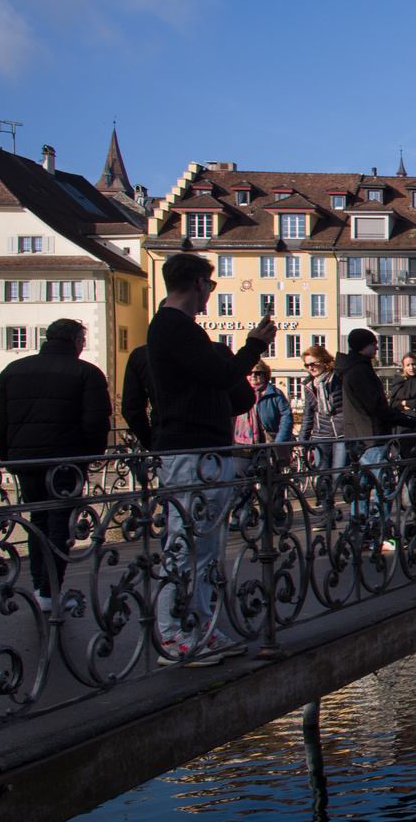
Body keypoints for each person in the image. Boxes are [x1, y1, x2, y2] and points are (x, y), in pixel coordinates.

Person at [147, 252, 277, 666]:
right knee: (185, 545)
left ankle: (200, 628)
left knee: (202, 547)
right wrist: (254, 346)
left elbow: (229, 389)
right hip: (189, 448)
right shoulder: (171, 325)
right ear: (201, 284)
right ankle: (174, 636)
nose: (210, 294)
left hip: (203, 447)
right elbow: (224, 379)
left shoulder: (179, 328)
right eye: (212, 286)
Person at [0, 318, 110, 609]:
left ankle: (41, 590)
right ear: (76, 342)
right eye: (83, 341)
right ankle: (49, 592)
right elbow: (96, 422)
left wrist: (8, 456)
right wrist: (90, 456)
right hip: (66, 461)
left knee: (38, 522)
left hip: (25, 460)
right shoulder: (86, 373)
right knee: (60, 526)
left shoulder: (13, 370)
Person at [236, 363, 293, 444]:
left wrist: (280, 440)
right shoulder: (239, 394)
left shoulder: (275, 393)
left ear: (265, 375)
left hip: (270, 441)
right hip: (242, 444)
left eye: (258, 373)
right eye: (249, 373)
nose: (253, 375)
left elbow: (286, 416)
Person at [121, 344, 155, 451]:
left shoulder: (142, 355)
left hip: (164, 439)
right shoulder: (205, 350)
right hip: (204, 444)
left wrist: (149, 442)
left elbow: (131, 409)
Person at [388, 353, 416, 421]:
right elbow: (393, 403)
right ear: (404, 367)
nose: (411, 368)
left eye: (413, 364)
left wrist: (405, 403)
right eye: (408, 365)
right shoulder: (398, 382)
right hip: (401, 420)